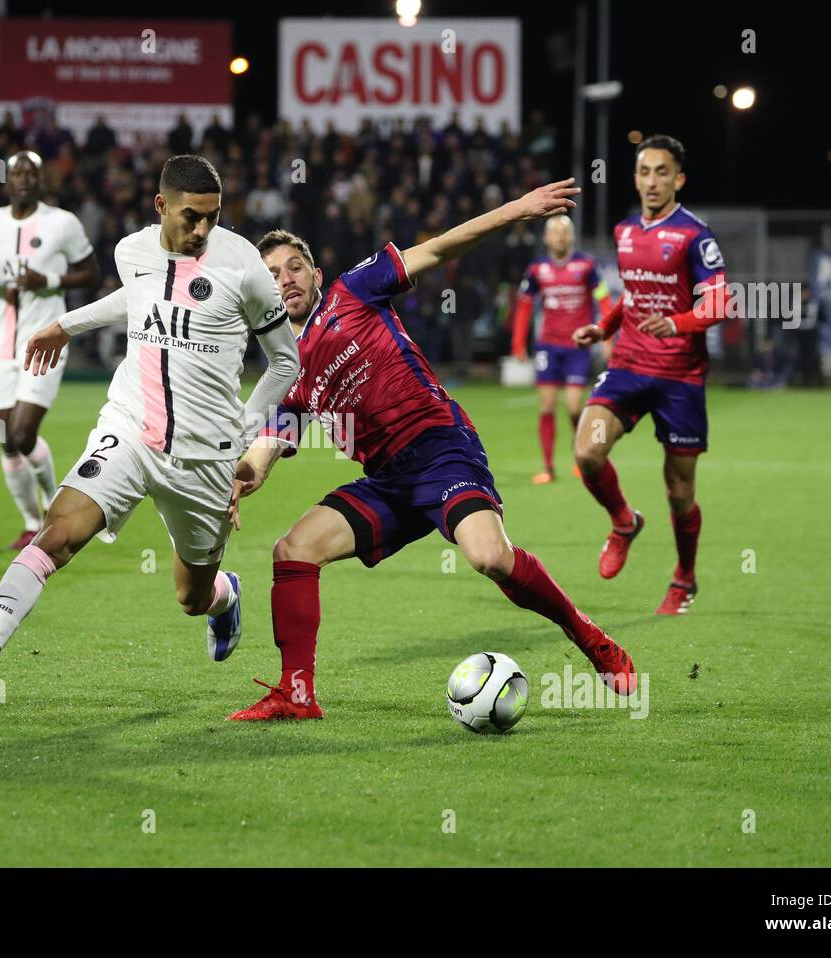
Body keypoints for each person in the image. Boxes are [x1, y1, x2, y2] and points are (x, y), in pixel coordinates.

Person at [223, 179, 637, 722]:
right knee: (292, 550)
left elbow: (440, 247)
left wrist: (516, 210)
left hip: (440, 448)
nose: (286, 280)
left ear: (315, 273)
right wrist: (238, 479)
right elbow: (267, 447)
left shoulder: (355, 290)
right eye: (272, 275)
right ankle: (296, 694)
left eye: (294, 267)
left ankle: (587, 636)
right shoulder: (287, 373)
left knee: (490, 557)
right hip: (387, 482)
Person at [0, 155, 300, 713]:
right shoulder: (133, 251)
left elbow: (285, 364)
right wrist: (65, 324)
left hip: (204, 457)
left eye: (213, 217)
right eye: (191, 216)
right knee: (56, 535)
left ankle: (226, 596)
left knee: (191, 595)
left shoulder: (244, 265)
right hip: (130, 429)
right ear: (161, 206)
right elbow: (138, 297)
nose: (202, 230)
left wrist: (242, 435)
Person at [571, 135, 730, 616]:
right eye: (645, 172)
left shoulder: (694, 236)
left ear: (678, 179)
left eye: (663, 172)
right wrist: (606, 326)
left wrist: (678, 323)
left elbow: (723, 301)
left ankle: (684, 579)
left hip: (680, 379)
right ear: (636, 178)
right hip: (628, 367)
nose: (653, 181)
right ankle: (624, 522)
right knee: (587, 452)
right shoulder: (624, 232)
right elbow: (635, 295)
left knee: (680, 495)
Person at [0, 151, 100, 549]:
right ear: (6, 181)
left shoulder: (62, 223)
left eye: (31, 173)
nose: (23, 179)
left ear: (42, 181)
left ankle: (53, 509)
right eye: (16, 173)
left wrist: (49, 278)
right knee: (6, 437)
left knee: (23, 433)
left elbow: (92, 272)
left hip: (44, 341)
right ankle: (30, 521)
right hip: (1, 343)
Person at [510, 215, 612, 483]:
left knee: (574, 406)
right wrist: (518, 342)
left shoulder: (586, 265)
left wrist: (607, 336)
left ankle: (582, 456)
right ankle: (548, 468)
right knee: (546, 406)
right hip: (548, 346)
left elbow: (603, 298)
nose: (560, 237)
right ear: (545, 238)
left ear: (572, 236)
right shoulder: (536, 270)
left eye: (565, 232)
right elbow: (524, 305)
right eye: (555, 232)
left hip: (578, 345)